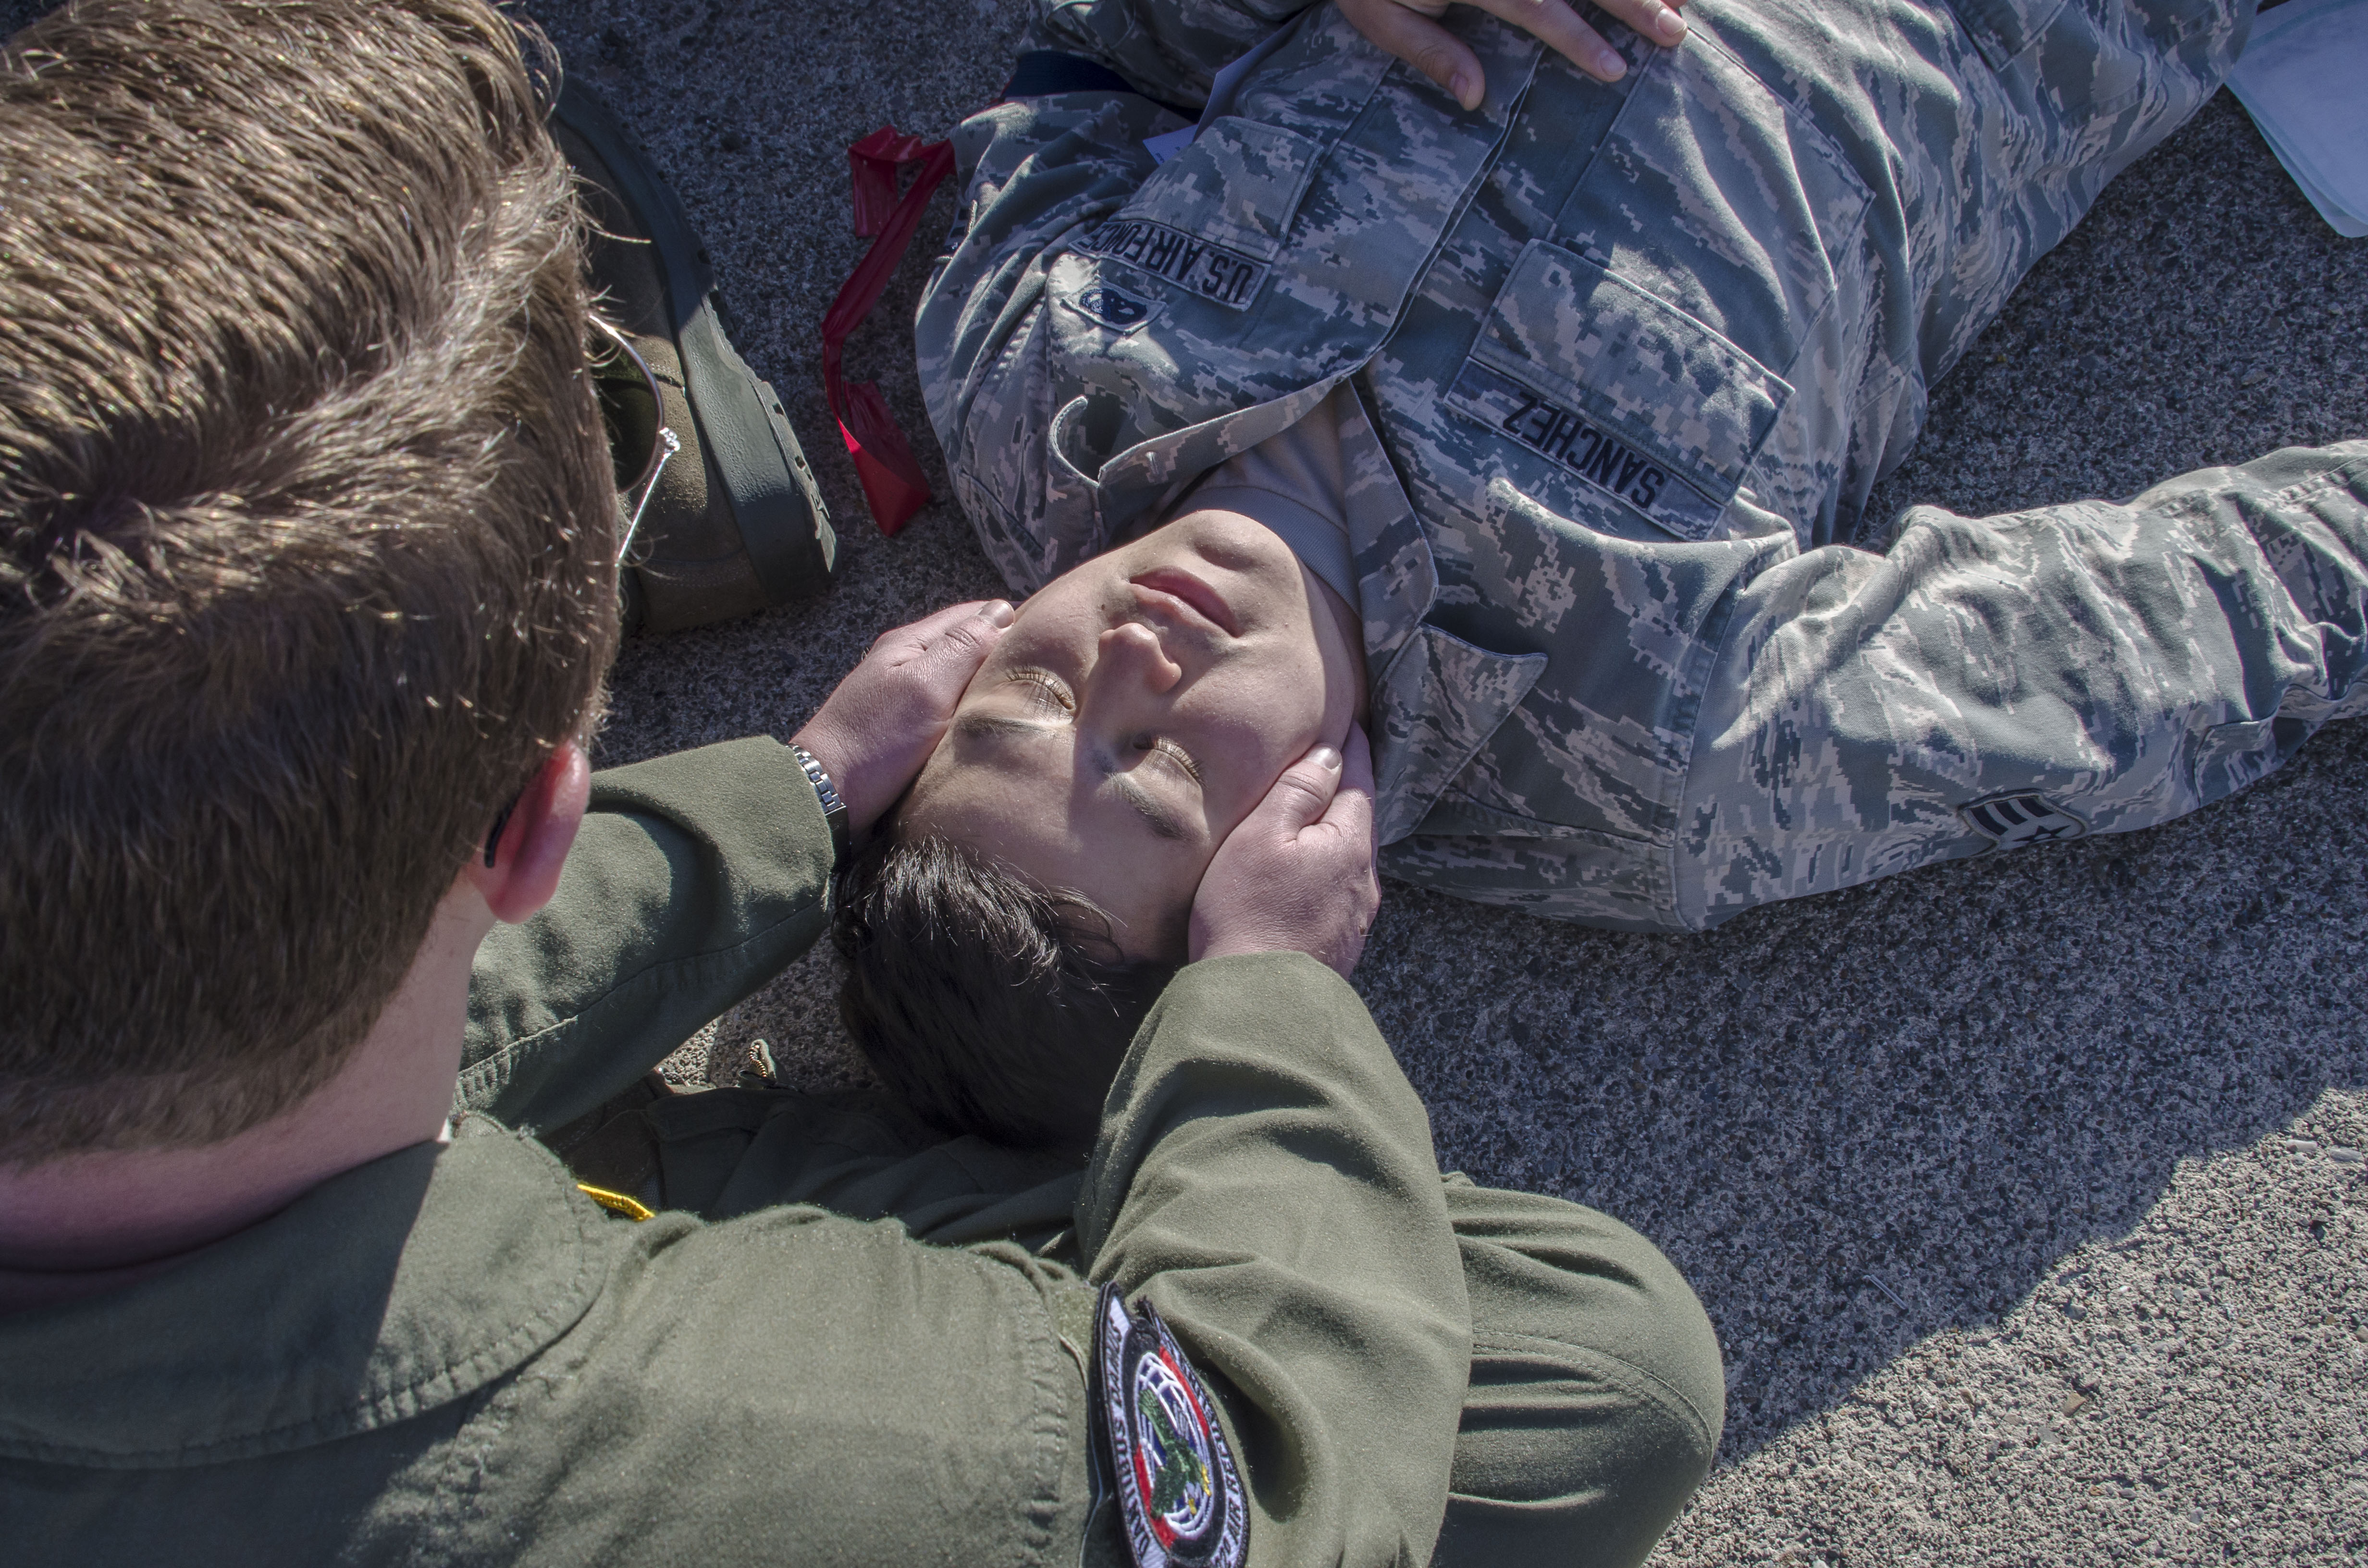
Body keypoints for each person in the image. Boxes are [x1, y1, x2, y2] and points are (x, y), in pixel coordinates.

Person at [0, 3, 1724, 1565]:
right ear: (536, 826)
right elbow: (1432, 1432)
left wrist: (809, 796)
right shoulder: (843, 1459)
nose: (1130, 660)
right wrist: (1264, 1001)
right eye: (629, 439)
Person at [846, 0, 2368, 1127]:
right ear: (1291, 881)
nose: (1127, 657)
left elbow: (1089, 60)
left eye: (1029, 701)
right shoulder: (1657, 745)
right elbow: (2170, 641)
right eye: (1159, 771)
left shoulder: (1025, 388)